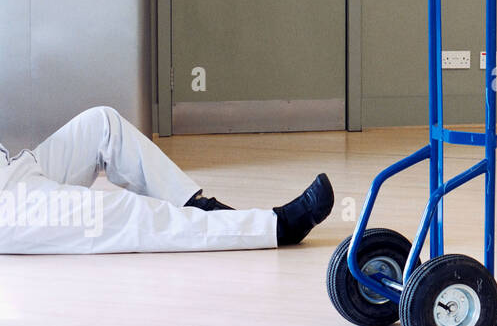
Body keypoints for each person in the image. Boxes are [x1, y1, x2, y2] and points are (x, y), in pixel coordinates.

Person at [0, 106, 332, 255]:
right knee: (126, 214)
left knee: (103, 123)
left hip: (13, 171)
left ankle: (199, 208)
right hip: (8, 206)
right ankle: (276, 227)